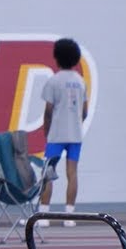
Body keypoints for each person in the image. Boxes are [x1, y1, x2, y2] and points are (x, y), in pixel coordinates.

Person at [36, 38, 89, 228]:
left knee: (48, 172)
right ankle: (69, 216)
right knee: (72, 173)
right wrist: (76, 123)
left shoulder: (54, 81)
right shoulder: (80, 81)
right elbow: (84, 112)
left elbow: (48, 111)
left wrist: (46, 130)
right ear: (75, 58)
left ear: (56, 58)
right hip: (75, 135)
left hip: (56, 135)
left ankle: (44, 215)